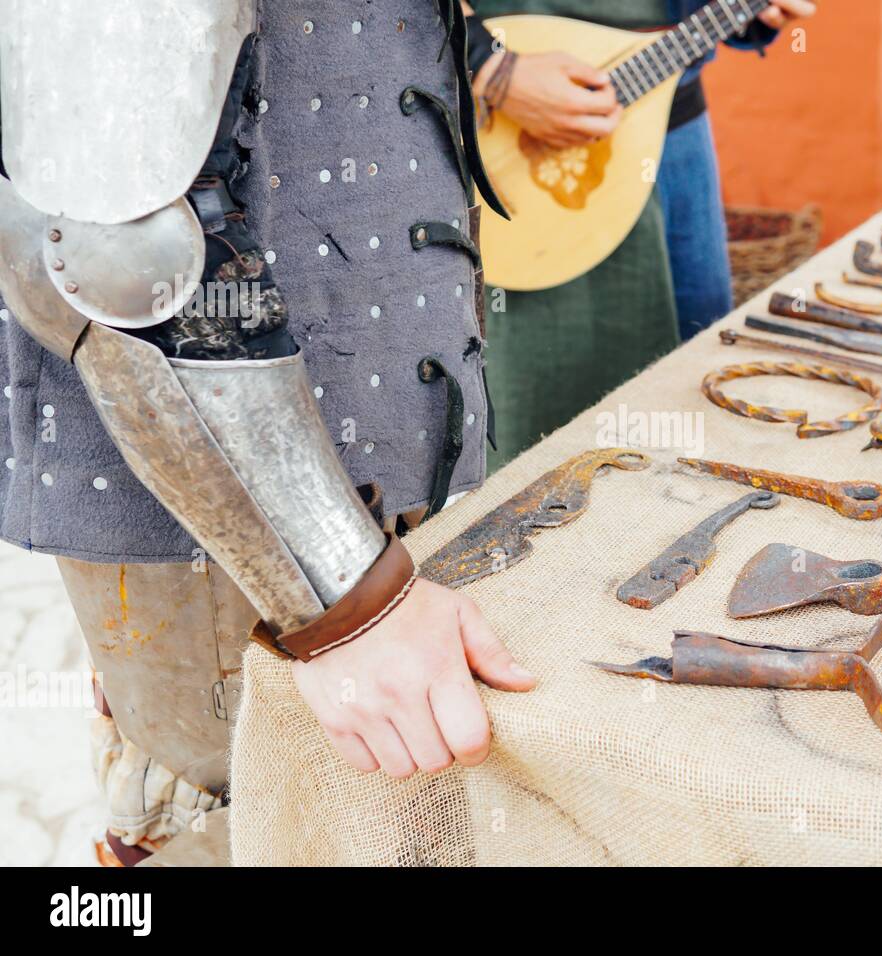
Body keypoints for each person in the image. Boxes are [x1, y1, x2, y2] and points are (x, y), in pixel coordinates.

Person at [0, 1, 531, 866]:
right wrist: (351, 609)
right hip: (213, 490)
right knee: (228, 820)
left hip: (362, 445)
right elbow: (121, 250)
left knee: (377, 825)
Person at [462, 0, 815, 468]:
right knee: (522, 425)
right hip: (494, 121)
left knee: (692, 385)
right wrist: (483, 59)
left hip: (668, 113)